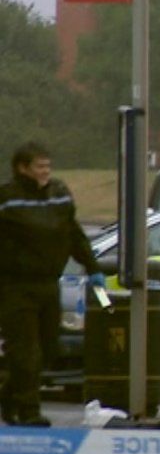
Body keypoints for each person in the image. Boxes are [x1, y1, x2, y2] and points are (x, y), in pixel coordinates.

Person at [0, 142, 104, 427]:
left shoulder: (59, 194)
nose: (46, 172)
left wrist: (92, 266)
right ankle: (29, 411)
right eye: (40, 167)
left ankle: (8, 395)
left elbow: (73, 233)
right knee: (25, 352)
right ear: (22, 168)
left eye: (48, 166)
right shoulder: (7, 199)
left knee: (47, 349)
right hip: (14, 287)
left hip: (49, 284)